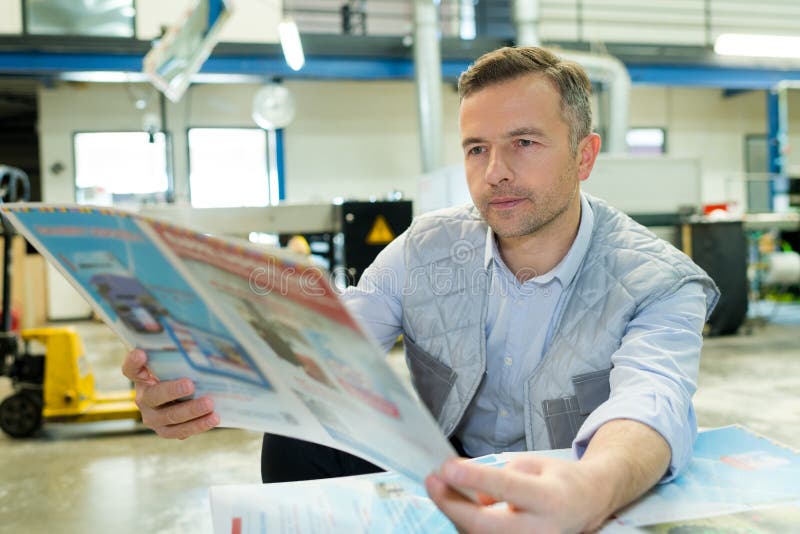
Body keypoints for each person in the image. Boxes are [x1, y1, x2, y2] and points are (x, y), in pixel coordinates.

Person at [122, 46, 719, 531]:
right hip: (445, 475)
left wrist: (592, 488)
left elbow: (654, 399)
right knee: (298, 438)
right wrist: (205, 387)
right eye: (477, 149)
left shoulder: (658, 279)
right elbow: (325, 347)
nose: (496, 172)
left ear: (584, 156)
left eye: (525, 143)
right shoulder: (425, 248)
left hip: (571, 485)